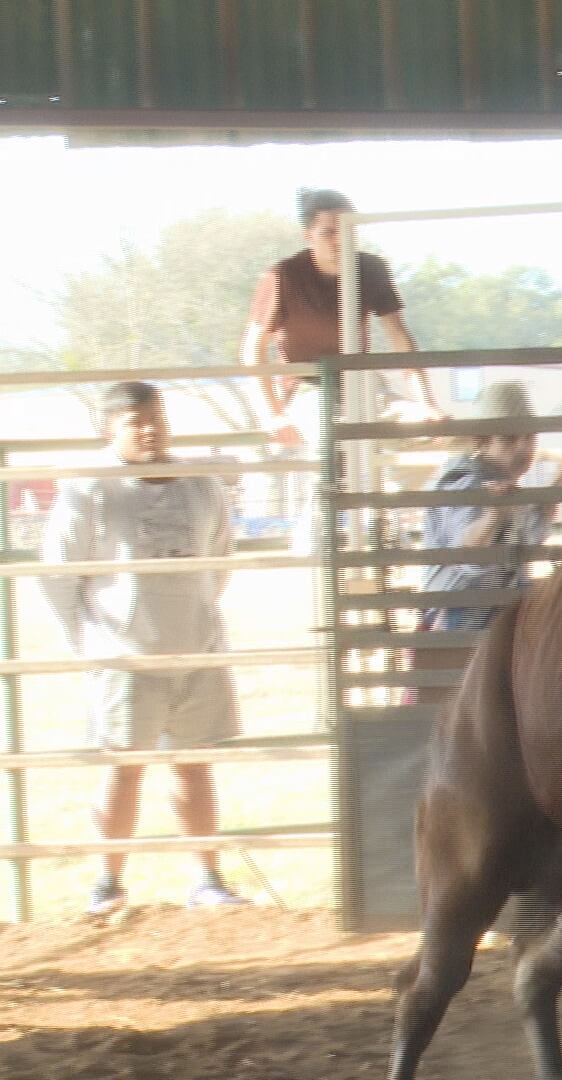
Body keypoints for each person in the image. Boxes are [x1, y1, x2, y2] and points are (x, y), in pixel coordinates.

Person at [38, 381, 249, 914]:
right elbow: (60, 576)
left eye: (158, 417)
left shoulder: (201, 485)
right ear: (112, 428)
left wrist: (197, 610)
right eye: (138, 421)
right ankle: (107, 883)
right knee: (125, 767)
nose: (152, 429)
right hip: (123, 651)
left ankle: (207, 877)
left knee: (194, 766)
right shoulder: (90, 488)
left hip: (195, 647)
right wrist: (90, 643)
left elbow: (219, 558)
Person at [240, 189, 441, 549]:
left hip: (361, 383)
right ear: (309, 236)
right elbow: (252, 349)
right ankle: (318, 535)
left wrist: (425, 400)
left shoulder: (371, 269)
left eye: (348, 231)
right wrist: (271, 414)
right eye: (329, 232)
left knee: (430, 431)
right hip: (306, 385)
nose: (340, 241)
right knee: (332, 445)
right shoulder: (284, 277)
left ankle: (386, 519)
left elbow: (398, 334)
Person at [413, 381, 562, 705]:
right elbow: (466, 552)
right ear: (483, 442)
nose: (523, 448)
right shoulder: (467, 483)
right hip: (460, 624)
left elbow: (533, 530)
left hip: (491, 620)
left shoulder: (503, 486)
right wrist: (492, 517)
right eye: (511, 438)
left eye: (529, 437)